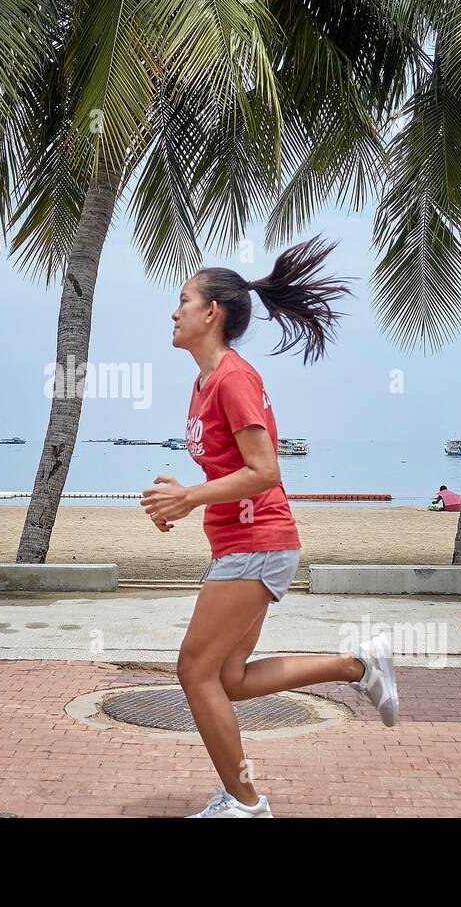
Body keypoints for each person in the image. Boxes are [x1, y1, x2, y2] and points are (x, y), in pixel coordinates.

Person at [140, 237, 400, 819]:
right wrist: (178, 498)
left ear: (213, 312)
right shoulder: (204, 382)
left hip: (259, 544)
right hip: (243, 545)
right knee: (226, 679)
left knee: (193, 670)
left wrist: (189, 497)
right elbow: (229, 471)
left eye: (183, 300)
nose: (174, 311)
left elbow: (265, 471)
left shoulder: (233, 377)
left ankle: (246, 803)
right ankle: (358, 666)